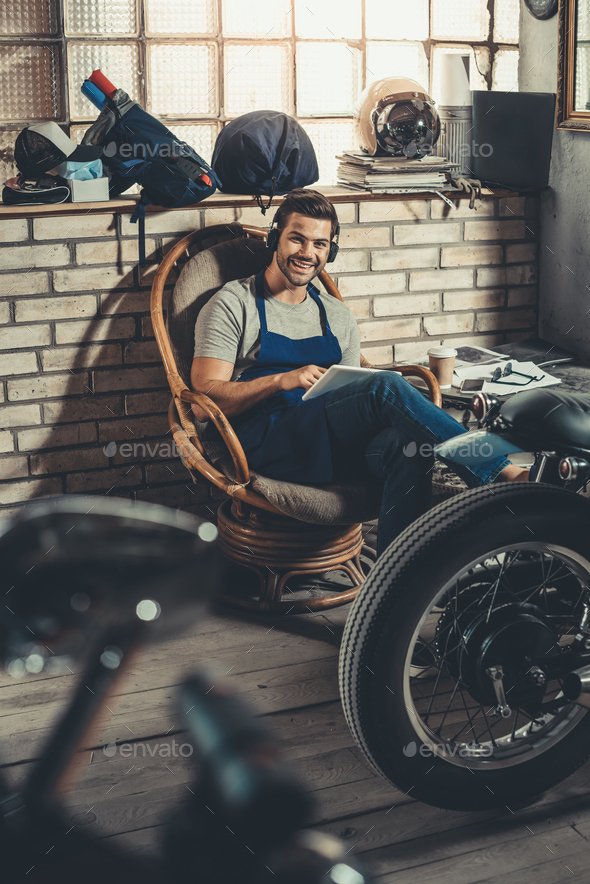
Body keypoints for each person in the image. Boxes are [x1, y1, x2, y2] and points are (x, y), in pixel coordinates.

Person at [190, 189, 527, 557]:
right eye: (297, 239)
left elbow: (351, 398)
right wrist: (279, 380)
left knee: (407, 447)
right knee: (384, 386)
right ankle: (498, 472)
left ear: (330, 251)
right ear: (276, 239)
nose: (307, 253)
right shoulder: (233, 304)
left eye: (320, 244)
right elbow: (204, 404)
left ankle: (395, 581)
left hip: (328, 443)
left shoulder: (336, 315)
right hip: (266, 441)